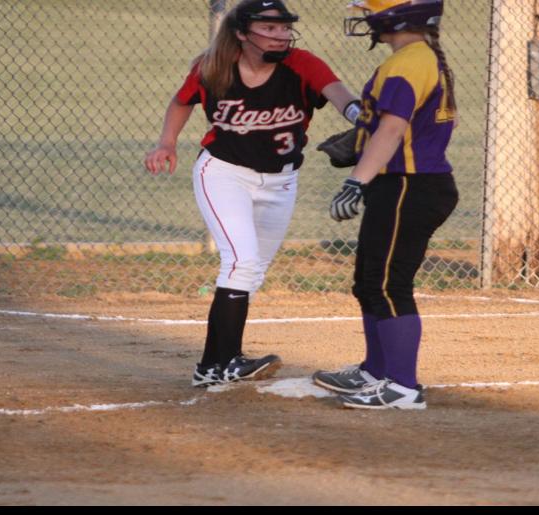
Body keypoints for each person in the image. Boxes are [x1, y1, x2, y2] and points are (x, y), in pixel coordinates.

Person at [145, 0, 364, 388]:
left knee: (250, 271)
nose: (281, 35)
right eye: (270, 29)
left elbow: (339, 94)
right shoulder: (212, 67)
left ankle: (209, 367)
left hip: (282, 181)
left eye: (284, 28)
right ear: (242, 33)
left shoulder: (302, 63)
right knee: (240, 262)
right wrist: (167, 143)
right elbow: (181, 102)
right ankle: (228, 360)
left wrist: (361, 118)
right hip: (224, 172)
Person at [313, 0, 458, 411]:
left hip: (409, 187)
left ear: (397, 16)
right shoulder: (419, 57)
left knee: (389, 285)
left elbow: (394, 129)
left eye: (372, 8)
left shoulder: (408, 62)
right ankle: (376, 371)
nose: (366, 16)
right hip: (403, 184)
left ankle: (403, 386)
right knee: (368, 282)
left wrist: (356, 180)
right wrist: (364, 141)